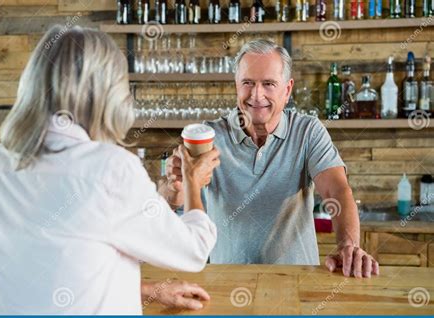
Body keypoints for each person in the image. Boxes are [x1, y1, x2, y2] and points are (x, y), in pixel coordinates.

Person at [0, 25, 220, 315]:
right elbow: (194, 250)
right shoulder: (110, 168)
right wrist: (192, 182)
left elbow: (38, 275)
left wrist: (145, 291)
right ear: (107, 95)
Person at [160, 39, 379, 278]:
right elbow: (175, 205)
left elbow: (336, 190)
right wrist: (175, 186)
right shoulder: (209, 136)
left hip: (296, 282)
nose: (257, 94)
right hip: (225, 282)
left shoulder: (307, 131)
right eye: (248, 83)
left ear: (287, 90)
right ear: (236, 85)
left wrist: (348, 245)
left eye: (268, 84)